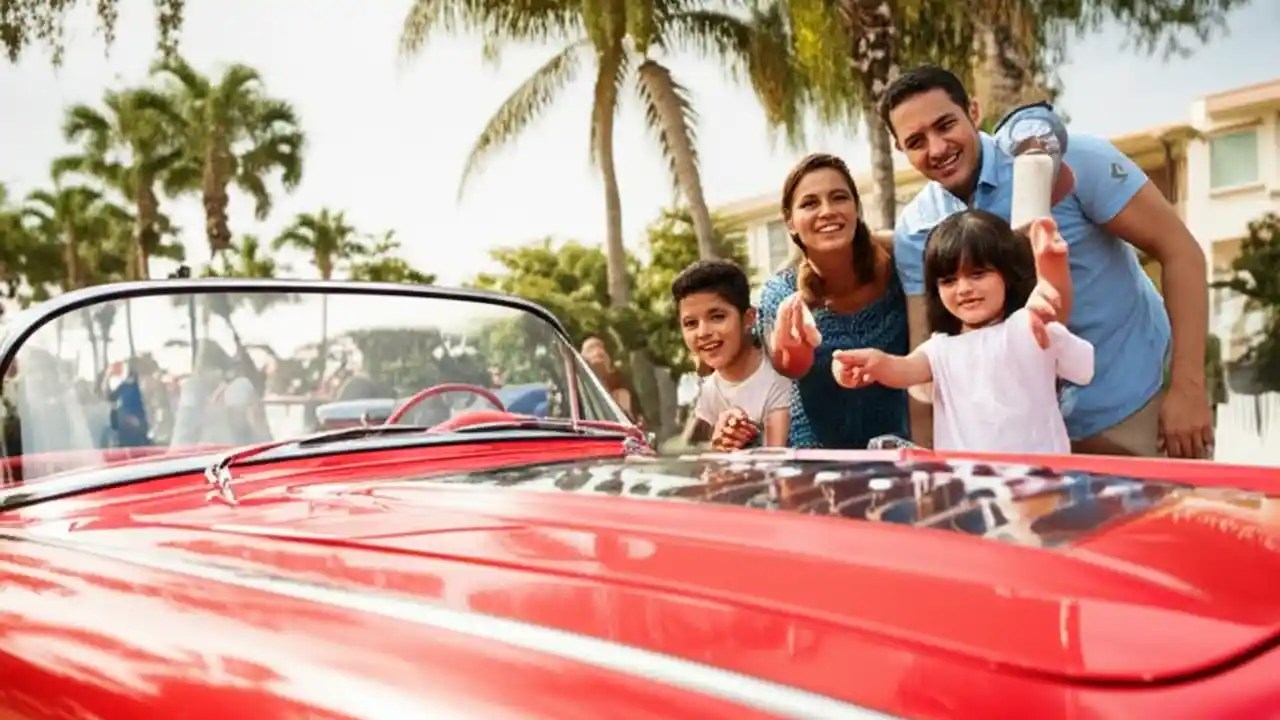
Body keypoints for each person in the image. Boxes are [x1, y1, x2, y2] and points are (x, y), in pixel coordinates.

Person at [884, 65, 1213, 458]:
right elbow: (928, 352)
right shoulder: (916, 230)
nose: (937, 148)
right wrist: (930, 465)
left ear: (973, 111)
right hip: (1021, 447)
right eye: (917, 140)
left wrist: (1188, 388)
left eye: (945, 125)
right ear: (901, 150)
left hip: (1137, 409)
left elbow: (1181, 252)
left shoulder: (1077, 160)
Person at [834, 211, 1092, 453]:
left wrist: (1052, 268)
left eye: (978, 274)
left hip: (1039, 484)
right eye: (949, 280)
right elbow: (903, 369)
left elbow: (1074, 352)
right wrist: (872, 363)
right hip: (969, 489)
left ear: (1008, 274)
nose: (964, 288)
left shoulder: (1024, 327)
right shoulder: (940, 349)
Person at [759, 153, 912, 449]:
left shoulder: (901, 263)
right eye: (810, 203)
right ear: (790, 223)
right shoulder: (781, 294)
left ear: (856, 208)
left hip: (897, 454)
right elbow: (792, 367)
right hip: (817, 464)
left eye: (839, 198)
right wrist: (794, 350)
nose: (827, 211)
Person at [672, 259, 791, 450]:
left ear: (748, 319)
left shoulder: (777, 379)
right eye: (691, 323)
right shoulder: (709, 391)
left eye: (717, 317)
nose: (703, 332)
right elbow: (706, 462)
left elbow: (775, 461)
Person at [580, 335, 644, 426]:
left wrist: (637, 418)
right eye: (591, 349)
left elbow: (637, 409)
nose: (598, 352)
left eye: (601, 348)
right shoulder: (582, 388)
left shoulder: (619, 381)